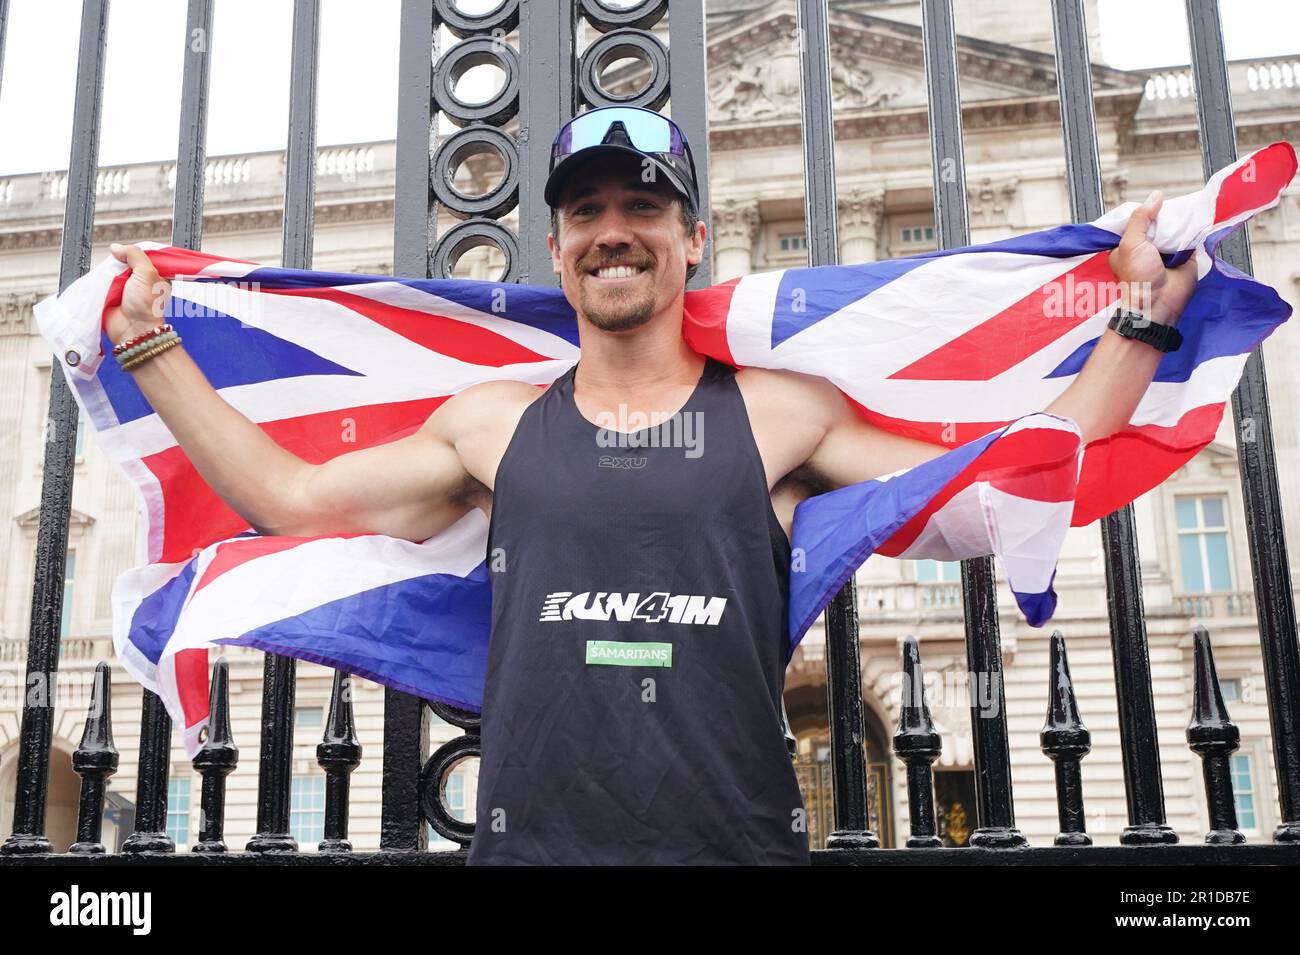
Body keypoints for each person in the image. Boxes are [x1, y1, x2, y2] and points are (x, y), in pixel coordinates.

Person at [106, 105, 1197, 865]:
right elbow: (290, 497)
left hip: (731, 850)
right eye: (586, 212)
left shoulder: (782, 412)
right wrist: (153, 350)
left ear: (691, 243)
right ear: (558, 244)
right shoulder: (491, 426)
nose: (612, 230)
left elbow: (1024, 458)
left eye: (641, 206)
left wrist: (1141, 319)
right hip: (528, 850)